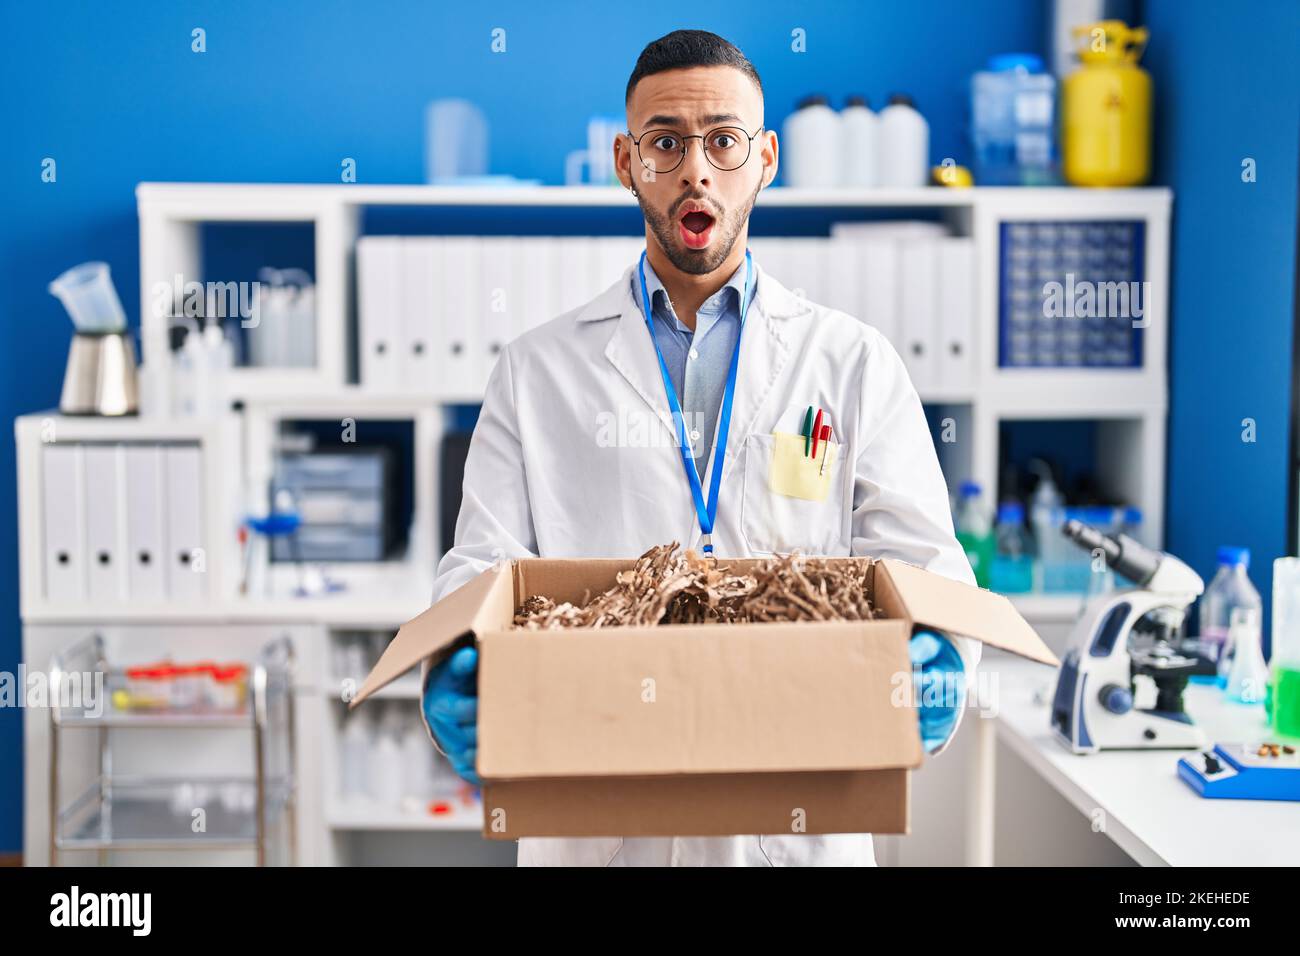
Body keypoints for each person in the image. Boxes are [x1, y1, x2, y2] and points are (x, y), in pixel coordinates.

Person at [421, 29, 978, 866]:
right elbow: (483, 564)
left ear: (766, 159)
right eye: (665, 143)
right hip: (599, 815)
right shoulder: (535, 370)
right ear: (625, 161)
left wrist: (936, 653)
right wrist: (456, 659)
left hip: (797, 812)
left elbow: (926, 564)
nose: (696, 170)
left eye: (724, 140)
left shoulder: (851, 362)